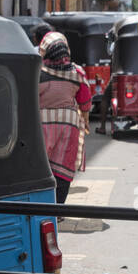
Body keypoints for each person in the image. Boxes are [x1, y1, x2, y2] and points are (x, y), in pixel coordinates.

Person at [37, 31, 92, 203]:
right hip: (69, 127)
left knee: (42, 167)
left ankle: (42, 206)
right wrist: (86, 120)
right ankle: (58, 208)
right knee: (64, 167)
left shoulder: (36, 73)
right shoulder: (77, 72)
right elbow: (85, 101)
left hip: (40, 127)